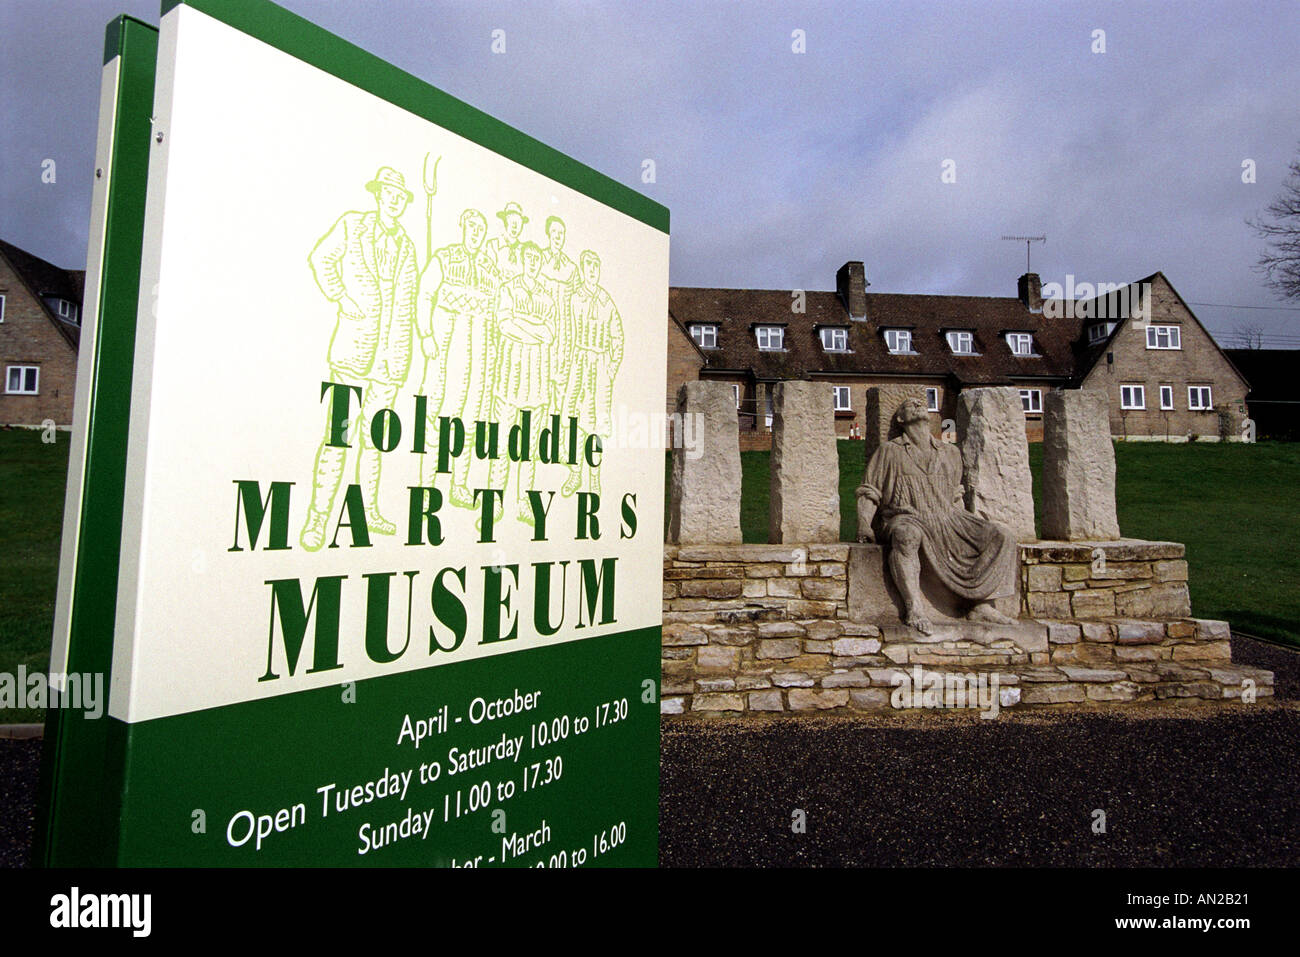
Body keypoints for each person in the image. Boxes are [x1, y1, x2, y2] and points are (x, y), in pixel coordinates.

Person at [301, 165, 419, 550]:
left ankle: (367, 512)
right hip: (353, 351)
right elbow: (321, 258)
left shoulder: (407, 246)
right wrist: (340, 297)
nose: (395, 200)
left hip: (389, 361)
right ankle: (318, 518)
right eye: (389, 193)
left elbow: (408, 306)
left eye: (400, 196)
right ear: (378, 194)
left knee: (375, 443)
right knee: (337, 438)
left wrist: (402, 356)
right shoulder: (353, 227)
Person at [855, 397, 1017, 634]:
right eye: (910, 404)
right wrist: (863, 525)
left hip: (947, 516)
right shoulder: (889, 451)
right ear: (901, 419)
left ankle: (982, 604)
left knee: (1002, 535)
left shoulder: (949, 452)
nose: (918, 404)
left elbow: (955, 496)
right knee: (907, 535)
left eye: (921, 403)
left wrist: (964, 531)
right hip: (906, 515)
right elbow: (870, 492)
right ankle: (914, 607)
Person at [415, 208, 502, 505]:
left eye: (481, 228)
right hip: (446, 351)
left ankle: (459, 484)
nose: (476, 233)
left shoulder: (492, 270)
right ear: (462, 227)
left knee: (469, 420)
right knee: (438, 415)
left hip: (478, 356)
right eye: (472, 227)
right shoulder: (444, 258)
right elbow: (424, 295)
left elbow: (497, 314)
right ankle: (426, 485)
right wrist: (426, 334)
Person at [488, 241, 557, 522]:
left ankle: (524, 503)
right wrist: (534, 331)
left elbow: (550, 332)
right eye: (528, 257)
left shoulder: (547, 297)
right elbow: (504, 323)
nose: (532, 262)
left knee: (530, 450)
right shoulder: (508, 289)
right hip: (510, 378)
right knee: (502, 444)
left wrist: (522, 326)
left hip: (536, 382)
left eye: (536, 258)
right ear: (522, 260)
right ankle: (493, 503)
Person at [560, 250, 624, 497]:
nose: (593, 272)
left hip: (599, 366)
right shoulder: (574, 299)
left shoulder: (606, 301)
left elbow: (617, 336)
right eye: (589, 267)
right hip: (578, 364)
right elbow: (567, 334)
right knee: (574, 423)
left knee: (596, 426)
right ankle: (575, 473)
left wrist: (612, 365)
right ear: (583, 269)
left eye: (596, 268)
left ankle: (594, 477)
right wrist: (564, 367)